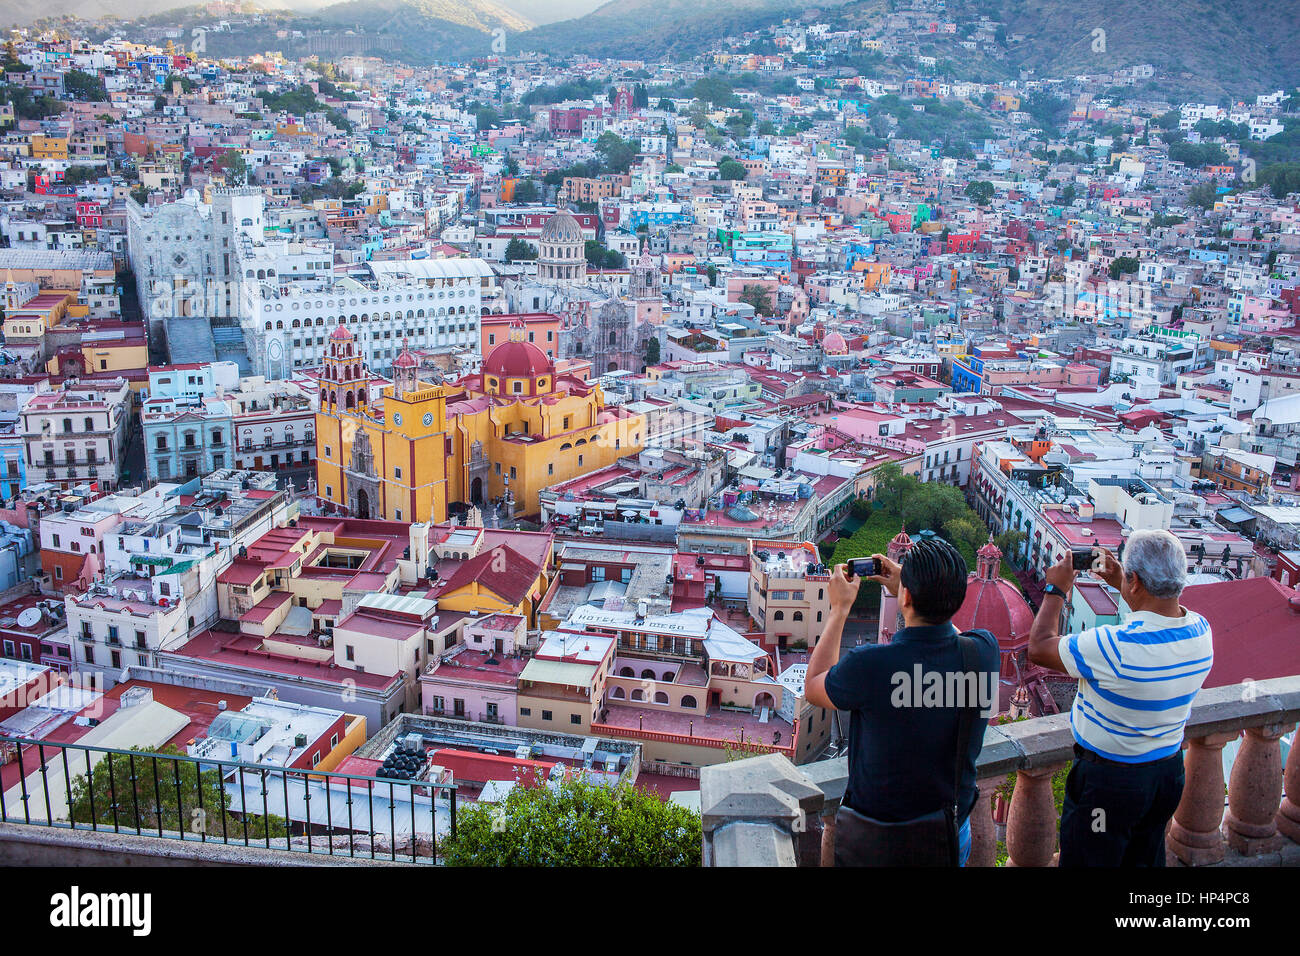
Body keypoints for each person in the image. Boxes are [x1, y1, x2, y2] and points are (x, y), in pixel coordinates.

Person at [804, 538, 1000, 866]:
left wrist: (839, 610)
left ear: (905, 596)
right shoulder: (983, 652)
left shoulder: (870, 665)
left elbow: (813, 686)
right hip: (948, 833)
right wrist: (914, 592)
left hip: (878, 842)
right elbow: (950, 632)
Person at [1027, 529, 1214, 867]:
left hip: (1110, 787)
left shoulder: (1114, 647)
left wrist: (1056, 589)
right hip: (1165, 777)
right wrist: (1121, 581)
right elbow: (1156, 615)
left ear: (1137, 581)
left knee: (1089, 859)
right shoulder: (1201, 631)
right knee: (1144, 858)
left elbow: (1039, 648)